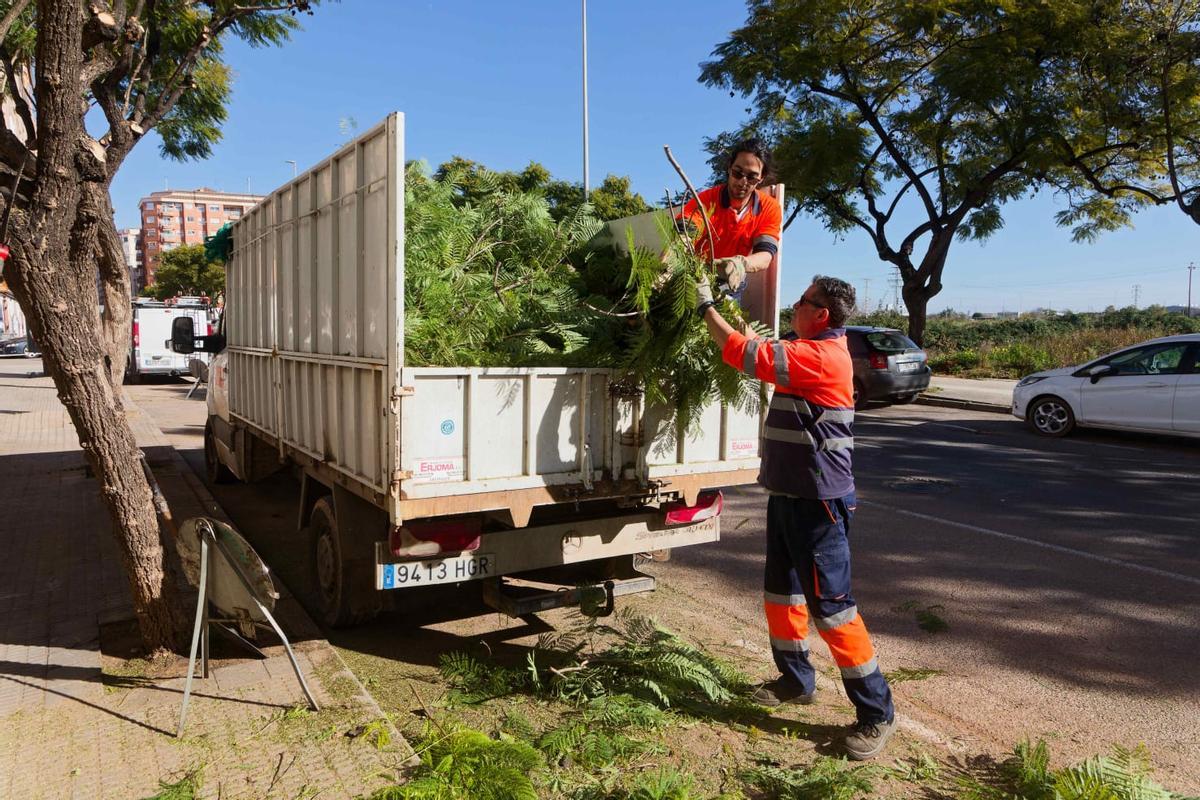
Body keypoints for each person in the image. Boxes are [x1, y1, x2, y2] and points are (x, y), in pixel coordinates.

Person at [694, 273, 897, 761]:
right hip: (789, 495)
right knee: (782, 596)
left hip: (818, 504)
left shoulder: (821, 357)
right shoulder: (806, 346)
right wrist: (724, 300)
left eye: (803, 302)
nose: (794, 307)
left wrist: (703, 306)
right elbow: (754, 341)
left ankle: (876, 713)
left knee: (833, 608)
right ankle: (795, 680)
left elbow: (746, 354)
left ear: (822, 314)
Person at [676, 138, 781, 299]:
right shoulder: (705, 200)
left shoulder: (769, 208)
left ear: (762, 177)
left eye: (752, 177)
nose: (742, 182)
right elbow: (685, 235)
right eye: (737, 173)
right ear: (729, 168)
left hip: (731, 283)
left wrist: (740, 264)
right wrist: (671, 259)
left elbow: (765, 255)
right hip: (695, 278)